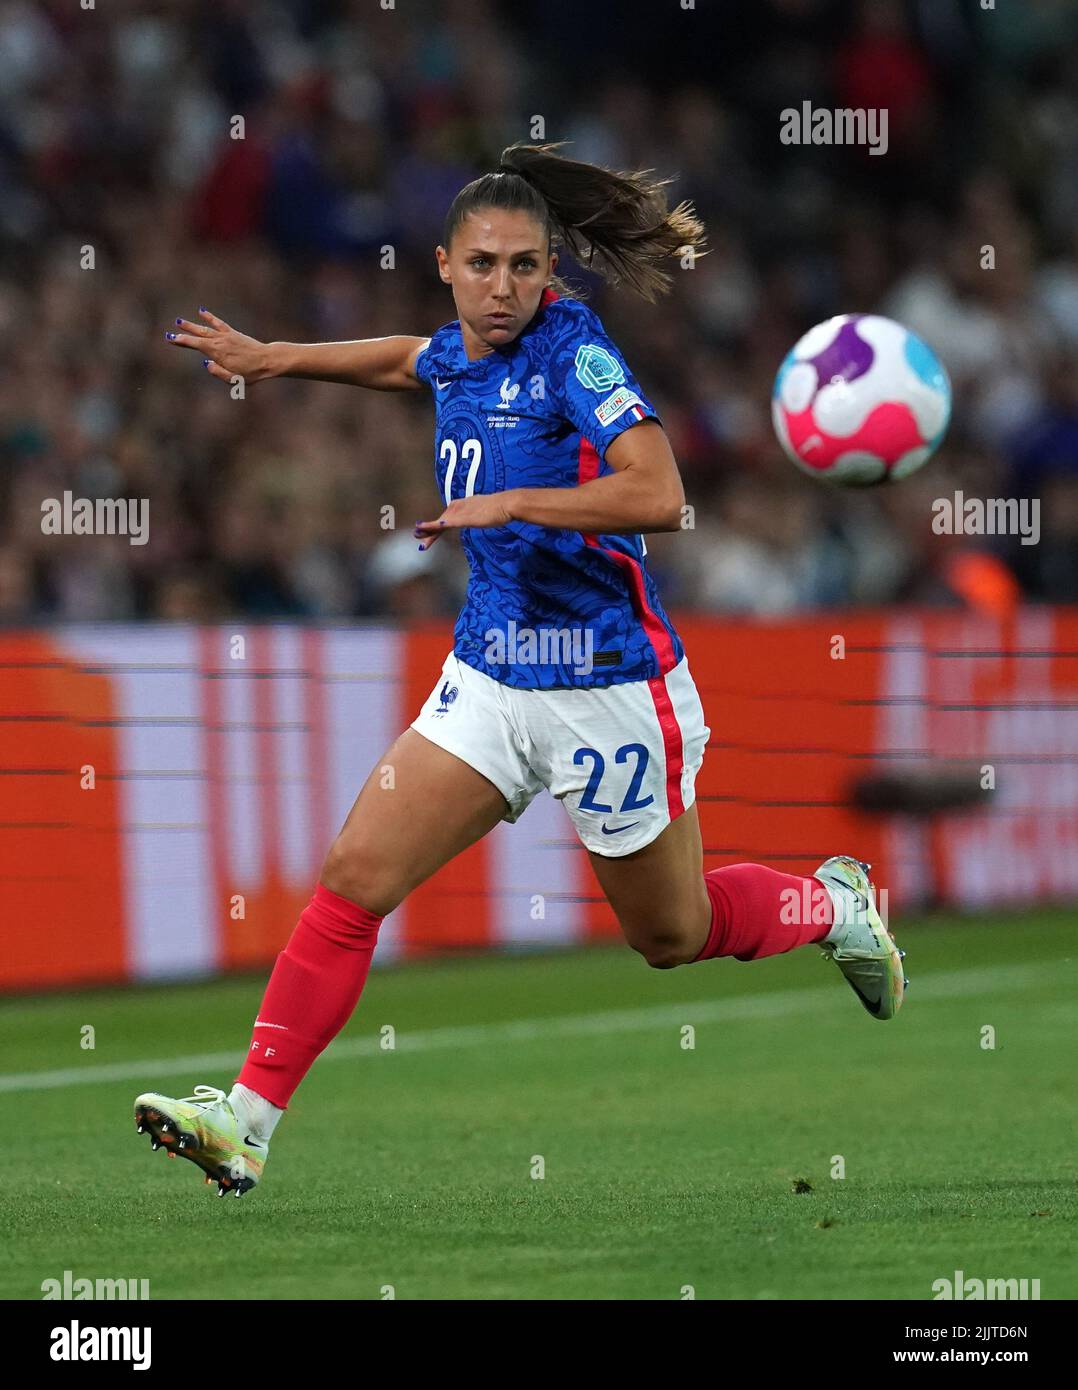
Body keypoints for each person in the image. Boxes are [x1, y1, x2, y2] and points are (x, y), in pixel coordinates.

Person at [135, 142, 906, 1198]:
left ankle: (830, 904)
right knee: (356, 877)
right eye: (485, 265)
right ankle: (249, 1118)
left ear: (551, 275)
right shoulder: (455, 352)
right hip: (492, 679)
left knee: (669, 935)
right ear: (445, 262)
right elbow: (408, 358)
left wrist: (513, 501)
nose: (504, 288)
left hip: (610, 684)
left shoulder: (573, 353)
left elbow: (655, 490)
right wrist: (277, 357)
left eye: (525, 267)